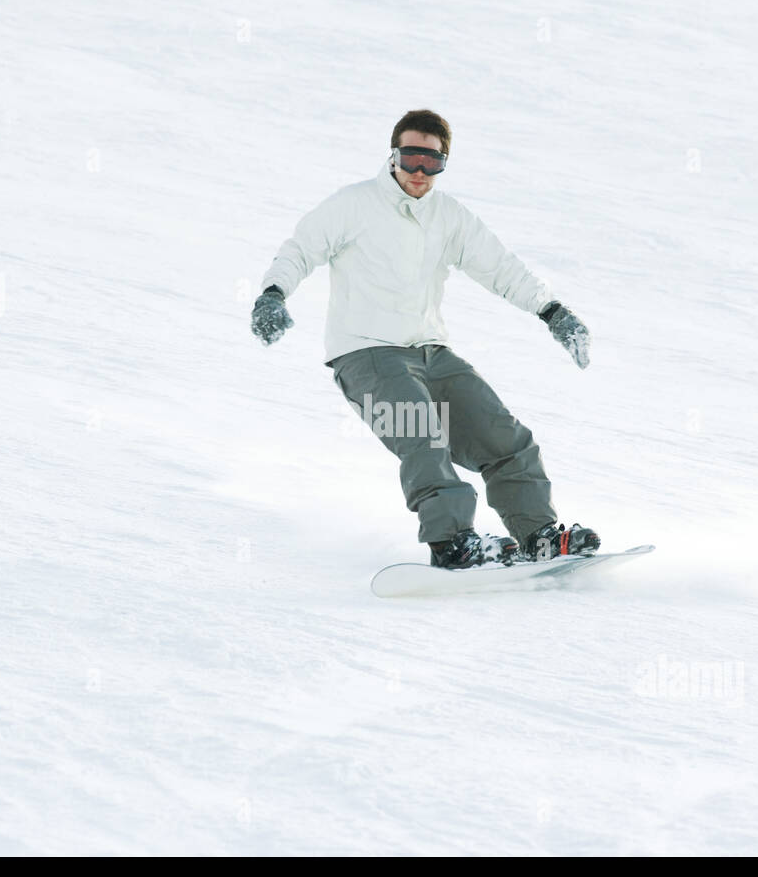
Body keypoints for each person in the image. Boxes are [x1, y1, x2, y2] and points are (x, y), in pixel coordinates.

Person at [251, 108, 598, 569]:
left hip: (432, 353)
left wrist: (553, 312)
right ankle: (453, 542)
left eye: (432, 163)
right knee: (422, 435)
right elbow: (301, 248)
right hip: (367, 352)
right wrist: (273, 294)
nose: (419, 172)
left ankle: (538, 534)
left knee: (505, 439)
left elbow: (500, 267)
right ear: (393, 155)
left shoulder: (448, 217)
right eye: (411, 158)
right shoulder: (353, 205)